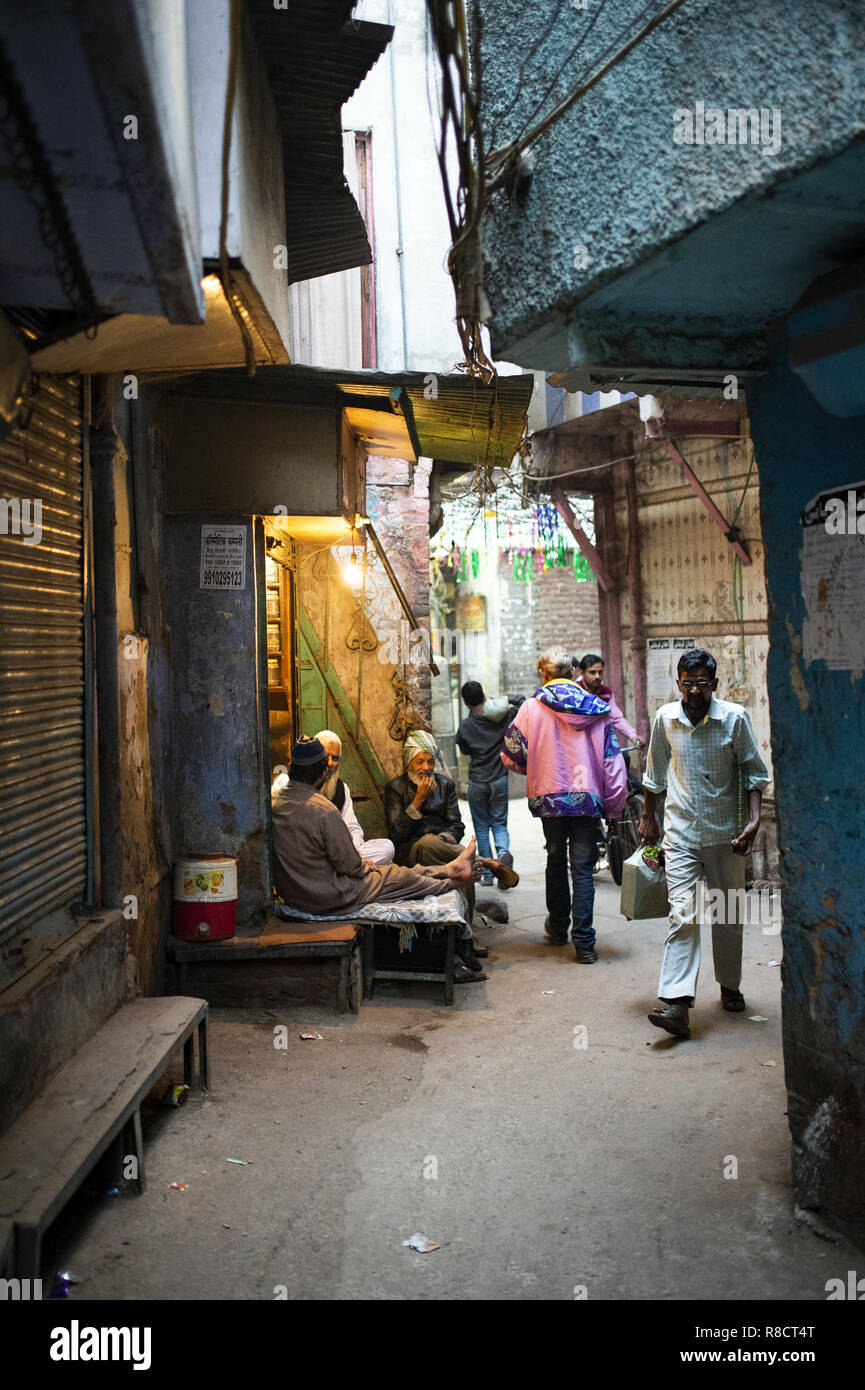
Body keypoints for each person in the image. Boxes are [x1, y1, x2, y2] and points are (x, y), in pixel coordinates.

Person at [272, 737, 488, 982]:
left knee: (396, 868)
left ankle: (448, 869)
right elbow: (349, 864)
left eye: (429, 761)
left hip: (297, 892)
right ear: (322, 771)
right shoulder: (322, 809)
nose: (426, 767)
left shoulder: (274, 801)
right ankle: (452, 880)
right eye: (420, 761)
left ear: (291, 767)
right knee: (397, 876)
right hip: (327, 895)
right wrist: (364, 865)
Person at [638, 647, 770, 1039]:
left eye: (702, 684)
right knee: (683, 913)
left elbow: (753, 772)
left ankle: (729, 983)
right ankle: (677, 1003)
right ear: (678, 684)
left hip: (726, 837)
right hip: (680, 835)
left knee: (727, 915)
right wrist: (649, 817)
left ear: (714, 684)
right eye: (687, 683)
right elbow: (654, 774)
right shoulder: (666, 719)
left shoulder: (734, 719)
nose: (694, 691)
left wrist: (755, 820)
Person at [501, 647, 627, 962]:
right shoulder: (598, 708)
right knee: (582, 869)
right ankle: (584, 943)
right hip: (587, 798)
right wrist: (613, 805)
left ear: (544, 675)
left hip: (550, 799)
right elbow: (612, 762)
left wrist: (536, 767)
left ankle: (558, 928)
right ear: (573, 673)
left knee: (555, 860)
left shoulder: (531, 707)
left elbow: (510, 753)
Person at [455, 681, 516, 888]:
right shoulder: (502, 718)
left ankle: (489, 876)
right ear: (484, 696)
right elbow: (521, 703)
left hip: (478, 780)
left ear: (465, 702)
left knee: (481, 827)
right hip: (499, 778)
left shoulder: (465, 726)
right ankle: (503, 854)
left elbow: (463, 750)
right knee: (499, 823)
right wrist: (503, 700)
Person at [314, 729, 395, 865]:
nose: (329, 763)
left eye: (335, 758)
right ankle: (352, 867)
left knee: (387, 848)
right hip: (312, 852)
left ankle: (349, 865)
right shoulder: (291, 782)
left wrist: (351, 850)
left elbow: (352, 827)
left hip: (340, 852)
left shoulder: (341, 789)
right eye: (325, 756)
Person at [574, 653, 643, 750]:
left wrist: (633, 736)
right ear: (581, 672)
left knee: (624, 759)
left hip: (601, 743)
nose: (597, 676)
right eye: (592, 673)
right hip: (579, 744)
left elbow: (616, 718)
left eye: (600, 672)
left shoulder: (606, 693)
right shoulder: (574, 691)